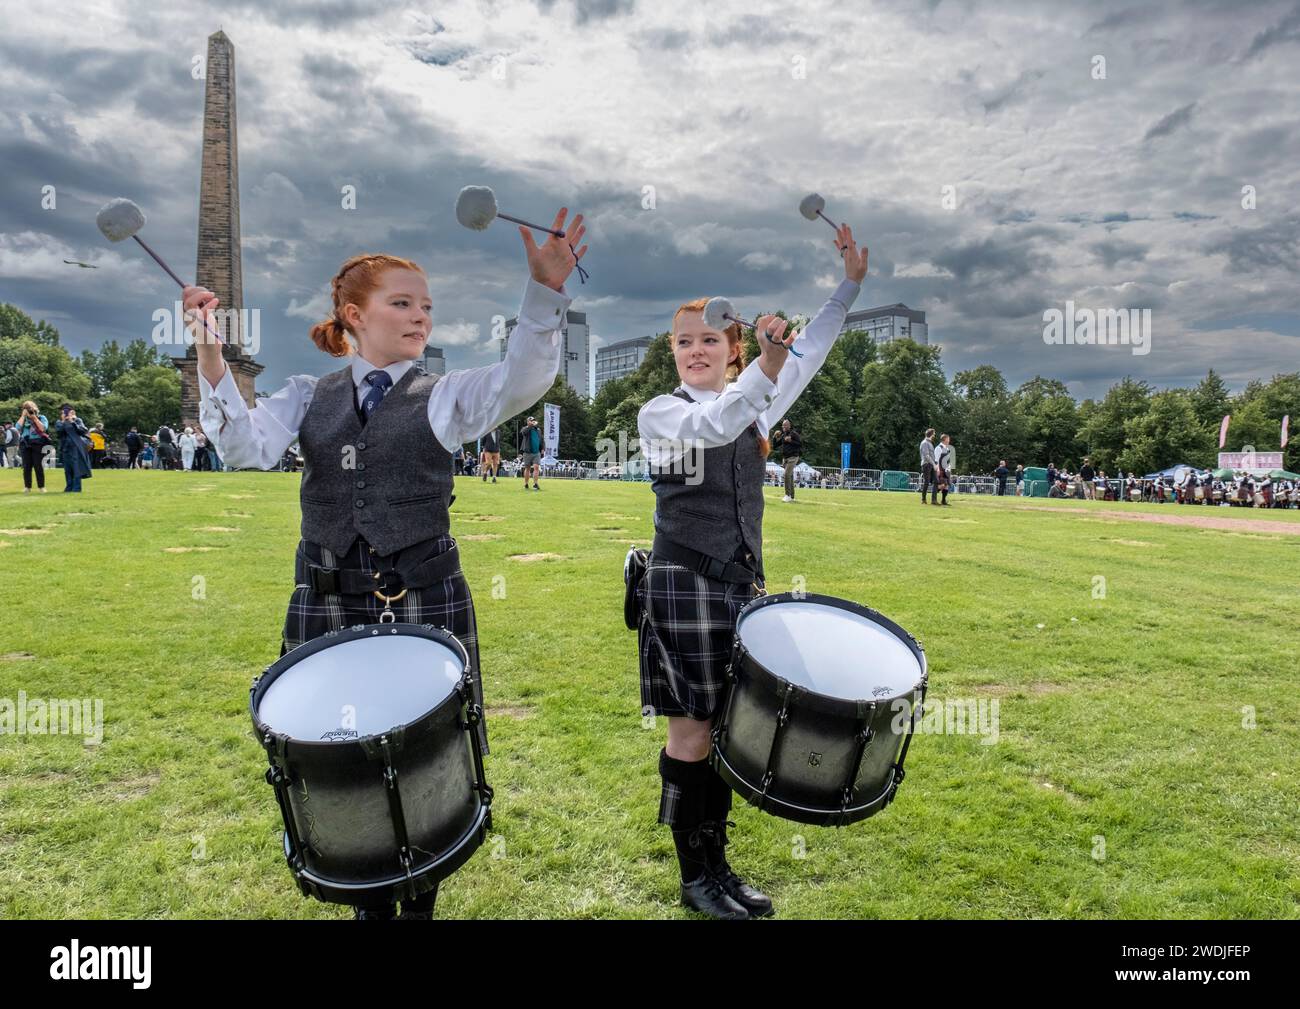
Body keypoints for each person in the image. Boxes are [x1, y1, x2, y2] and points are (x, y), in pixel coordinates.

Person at [188, 207, 586, 920]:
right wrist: (213, 358)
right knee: (346, 768)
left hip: (421, 605)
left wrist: (543, 293)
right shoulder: (310, 395)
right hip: (329, 605)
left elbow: (521, 380)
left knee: (425, 763)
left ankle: (420, 907)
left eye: (426, 306)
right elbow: (243, 448)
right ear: (353, 315)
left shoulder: (447, 394)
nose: (420, 317)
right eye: (401, 303)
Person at [634, 221, 867, 919]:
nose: (695, 350)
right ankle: (693, 877)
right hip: (681, 583)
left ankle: (720, 867)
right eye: (683, 341)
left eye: (709, 339)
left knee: (730, 732)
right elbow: (717, 426)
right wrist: (765, 367)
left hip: (738, 588)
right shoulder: (659, 413)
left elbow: (812, 350)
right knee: (692, 731)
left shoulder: (756, 393)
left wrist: (849, 284)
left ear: (731, 347)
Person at [54, 404, 92, 493]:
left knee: (76, 467)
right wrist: (64, 421)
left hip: (76, 447)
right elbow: (59, 433)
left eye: (68, 412)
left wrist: (72, 421)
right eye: (64, 412)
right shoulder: (59, 422)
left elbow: (83, 431)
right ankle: (69, 487)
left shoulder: (78, 420)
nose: (66, 414)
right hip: (65, 447)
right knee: (67, 469)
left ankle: (77, 488)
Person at [15, 401, 50, 493]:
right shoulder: (24, 419)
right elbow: (17, 428)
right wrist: (23, 416)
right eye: (27, 409)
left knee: (38, 466)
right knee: (26, 466)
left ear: (36, 408)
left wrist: (34, 418)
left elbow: (43, 428)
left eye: (31, 408)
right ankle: (27, 487)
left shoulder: (41, 417)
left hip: (38, 443)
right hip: (25, 443)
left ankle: (41, 487)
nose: (30, 411)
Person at [771, 418, 802, 502]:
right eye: (782, 425)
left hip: (793, 457)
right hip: (785, 459)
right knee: (790, 476)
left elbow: (800, 444)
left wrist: (791, 440)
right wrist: (774, 437)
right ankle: (792, 497)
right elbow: (774, 446)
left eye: (785, 425)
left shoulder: (794, 434)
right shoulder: (783, 435)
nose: (783, 426)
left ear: (789, 426)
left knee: (786, 474)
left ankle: (787, 495)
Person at [519, 416, 542, 490]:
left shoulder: (538, 430)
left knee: (536, 467)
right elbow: (523, 433)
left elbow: (541, 439)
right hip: (527, 452)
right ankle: (526, 483)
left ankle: (535, 483)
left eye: (533, 420)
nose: (533, 421)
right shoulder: (525, 428)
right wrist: (530, 426)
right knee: (527, 468)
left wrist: (543, 448)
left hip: (536, 452)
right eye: (531, 420)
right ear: (528, 422)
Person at [919, 428, 938, 505]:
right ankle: (923, 499)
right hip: (926, 464)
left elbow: (932, 455)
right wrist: (934, 464)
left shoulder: (930, 443)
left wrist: (934, 464)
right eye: (934, 433)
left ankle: (934, 500)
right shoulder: (924, 443)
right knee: (926, 482)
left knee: (936, 481)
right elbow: (926, 455)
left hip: (931, 464)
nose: (934, 435)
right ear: (931, 434)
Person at [934, 434, 953, 505]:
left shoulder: (947, 448)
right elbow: (936, 460)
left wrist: (949, 467)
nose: (949, 440)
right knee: (941, 485)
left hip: (946, 469)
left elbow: (948, 460)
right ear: (944, 439)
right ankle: (934, 498)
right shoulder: (938, 448)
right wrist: (938, 469)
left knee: (946, 485)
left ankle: (943, 500)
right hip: (941, 469)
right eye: (948, 439)